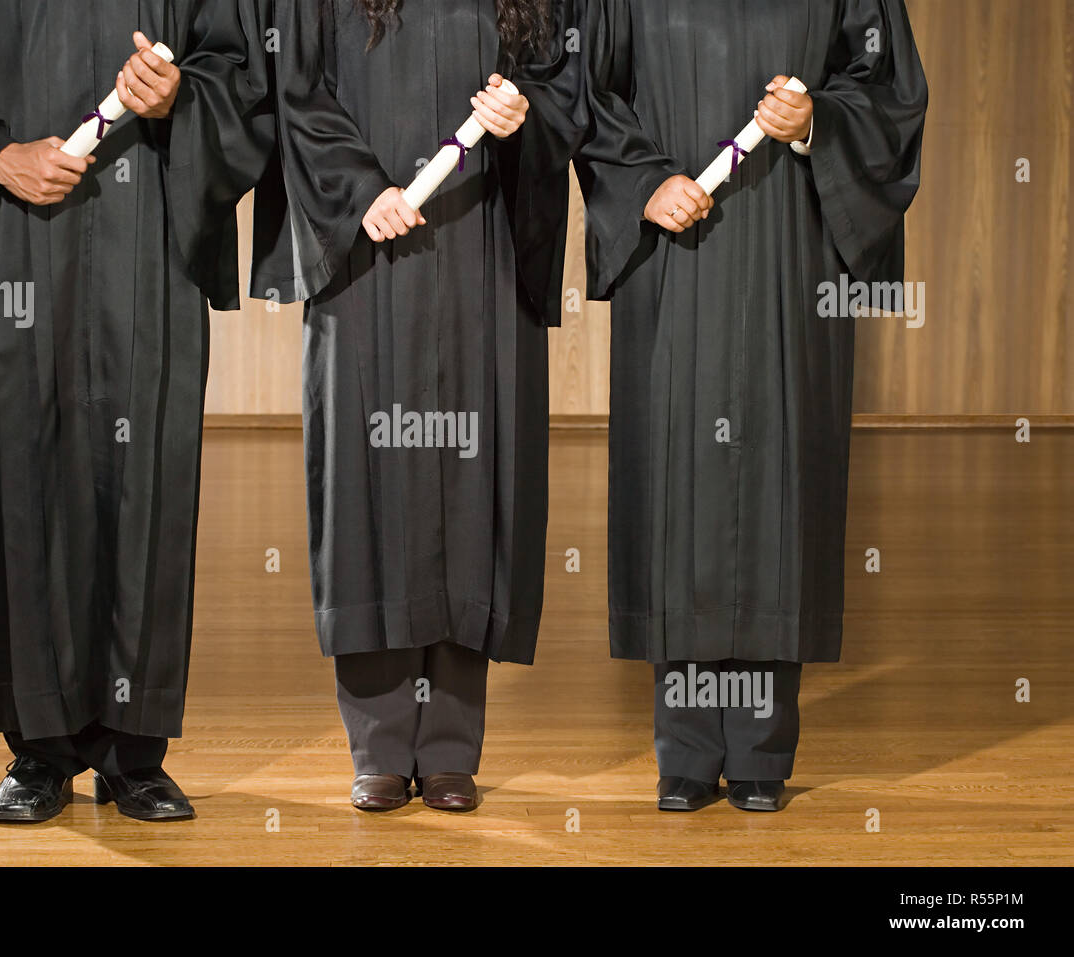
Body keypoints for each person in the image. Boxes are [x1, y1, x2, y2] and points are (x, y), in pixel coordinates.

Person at [0, 0, 273, 822]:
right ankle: (38, 748)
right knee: (24, 476)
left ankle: (135, 751)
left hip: (151, 240)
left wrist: (178, 96)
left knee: (147, 486)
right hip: (20, 239)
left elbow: (238, 69)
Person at [571, 0, 928, 811]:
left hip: (790, 255)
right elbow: (593, 91)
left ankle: (763, 751)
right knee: (678, 495)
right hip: (675, 255)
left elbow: (889, 88)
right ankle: (686, 750)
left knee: (778, 491)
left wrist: (816, 123)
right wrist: (646, 182)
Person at [250, 0, 573, 812]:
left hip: (480, 250)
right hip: (365, 251)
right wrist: (359, 189)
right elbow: (297, 86)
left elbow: (565, 79)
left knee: (474, 483)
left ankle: (453, 746)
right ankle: (379, 744)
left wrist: (522, 114)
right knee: (370, 487)